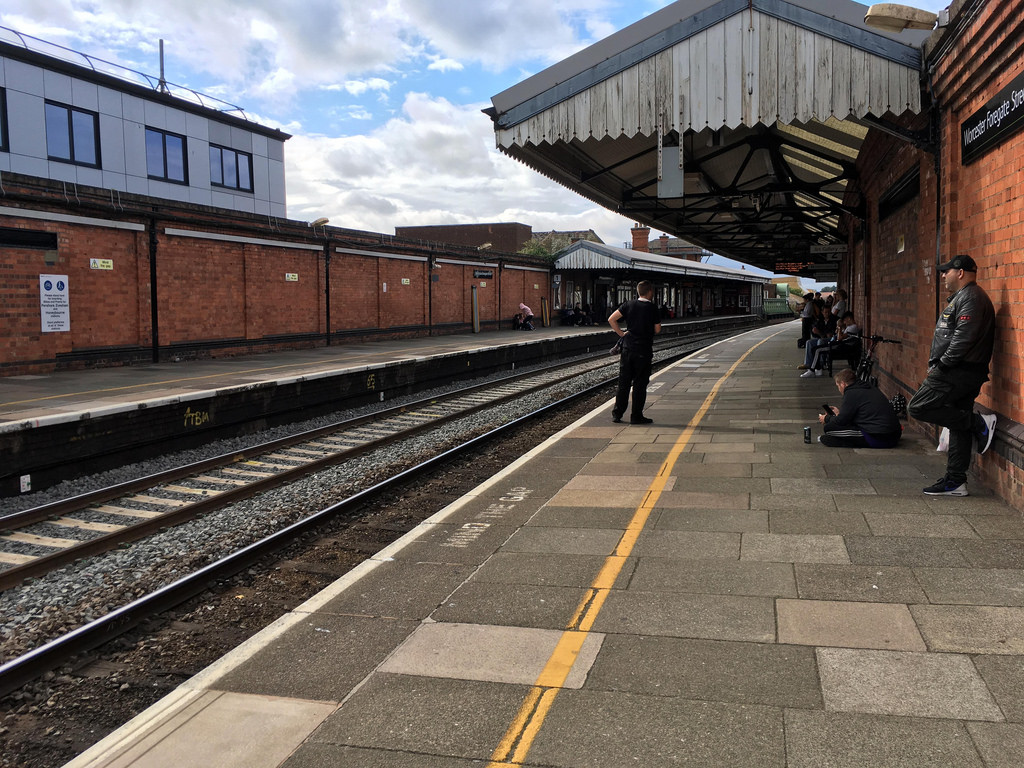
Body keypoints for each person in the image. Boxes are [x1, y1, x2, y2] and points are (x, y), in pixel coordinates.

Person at [908, 254, 997, 496]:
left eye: (946, 271)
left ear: (960, 272)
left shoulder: (972, 298)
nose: (943, 275)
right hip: (965, 370)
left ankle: (978, 423)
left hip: (957, 370)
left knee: (917, 407)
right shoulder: (965, 297)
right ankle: (956, 481)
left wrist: (943, 366)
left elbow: (963, 339)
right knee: (957, 423)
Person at [608, 280, 661, 424]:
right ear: (650, 292)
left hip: (627, 349)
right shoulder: (652, 308)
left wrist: (621, 333)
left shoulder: (628, 305)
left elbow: (611, 319)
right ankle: (636, 416)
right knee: (640, 383)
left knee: (623, 382)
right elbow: (657, 329)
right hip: (643, 350)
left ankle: (617, 414)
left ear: (638, 291)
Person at [817, 368, 902, 448]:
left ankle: (844, 442)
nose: (839, 389)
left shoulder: (851, 393)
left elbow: (841, 421)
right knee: (838, 427)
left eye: (838, 386)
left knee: (829, 428)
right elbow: (859, 414)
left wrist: (827, 418)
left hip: (880, 437)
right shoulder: (867, 387)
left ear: (843, 384)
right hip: (895, 434)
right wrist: (839, 414)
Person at [801, 310, 860, 377]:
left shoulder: (853, 327)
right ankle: (817, 368)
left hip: (840, 346)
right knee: (814, 347)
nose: (844, 322)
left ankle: (812, 370)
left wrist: (840, 327)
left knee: (817, 350)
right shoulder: (849, 327)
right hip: (839, 344)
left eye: (845, 320)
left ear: (849, 319)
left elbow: (839, 338)